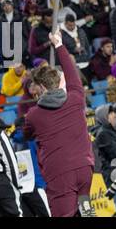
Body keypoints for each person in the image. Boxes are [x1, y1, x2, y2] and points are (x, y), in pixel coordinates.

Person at [21, 31, 95, 216]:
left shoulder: (33, 115)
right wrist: (59, 45)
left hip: (61, 174)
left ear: (43, 87)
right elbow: (71, 72)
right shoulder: (77, 97)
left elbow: (26, 134)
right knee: (83, 209)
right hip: (85, 169)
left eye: (36, 86)